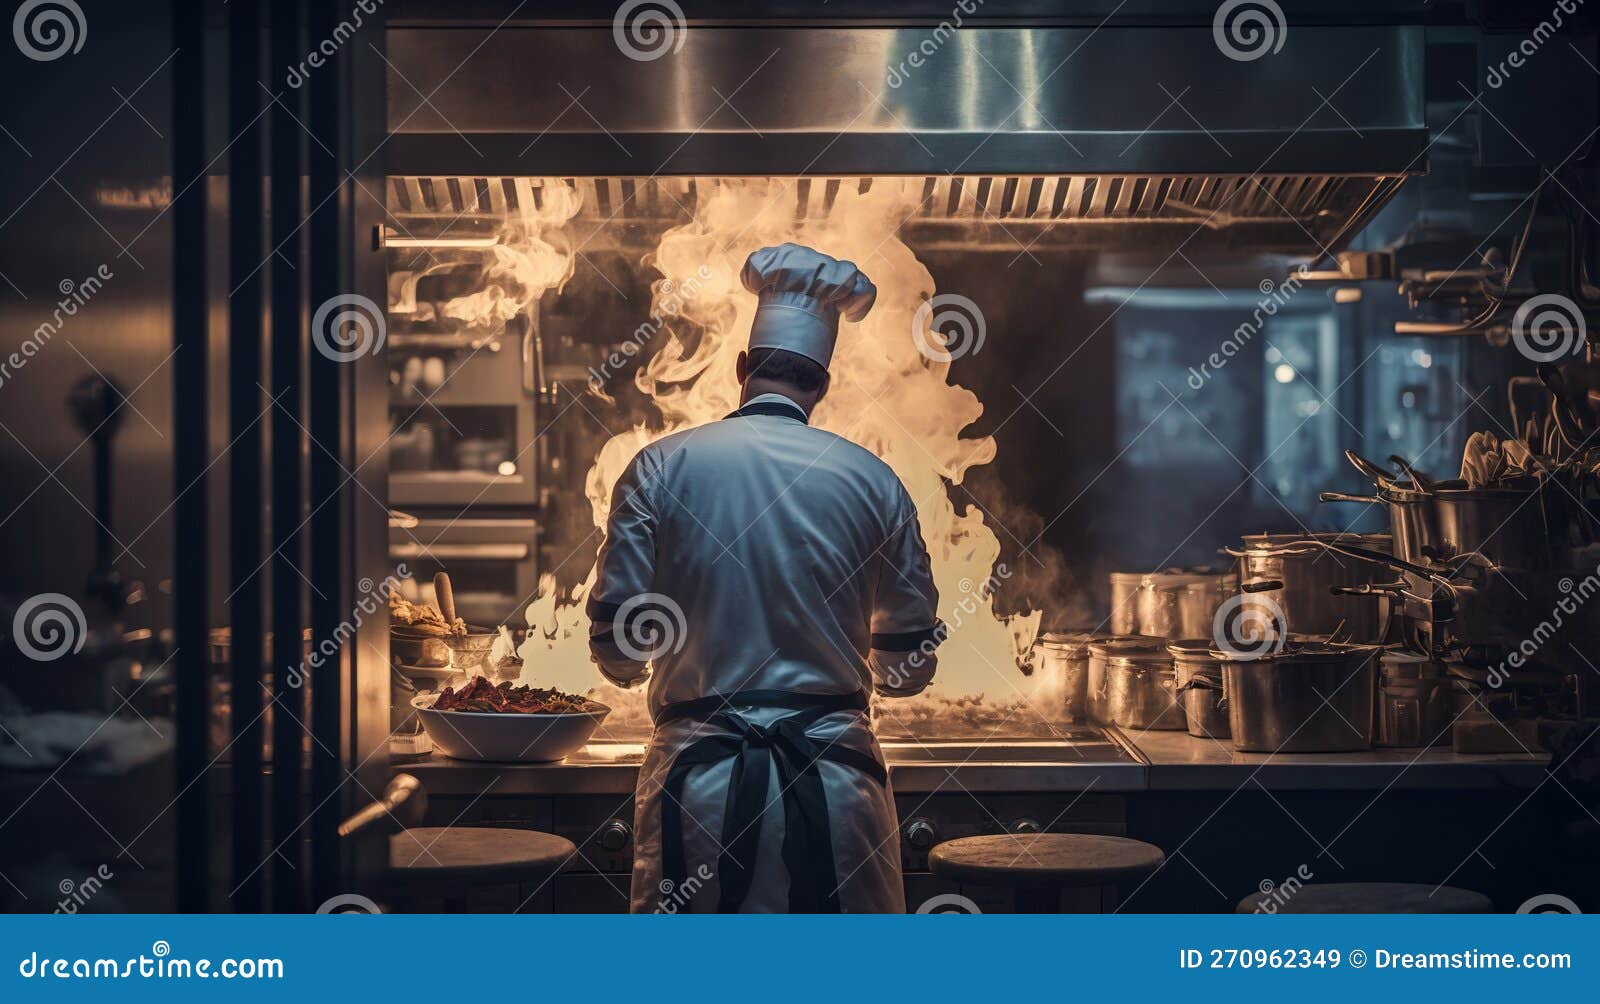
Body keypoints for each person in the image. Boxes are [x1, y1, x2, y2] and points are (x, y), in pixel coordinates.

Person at [588, 242, 943, 913]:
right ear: (824, 385)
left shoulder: (658, 466)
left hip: (700, 789)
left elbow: (619, 650)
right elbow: (906, 668)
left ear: (742, 367)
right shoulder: (877, 482)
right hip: (838, 789)